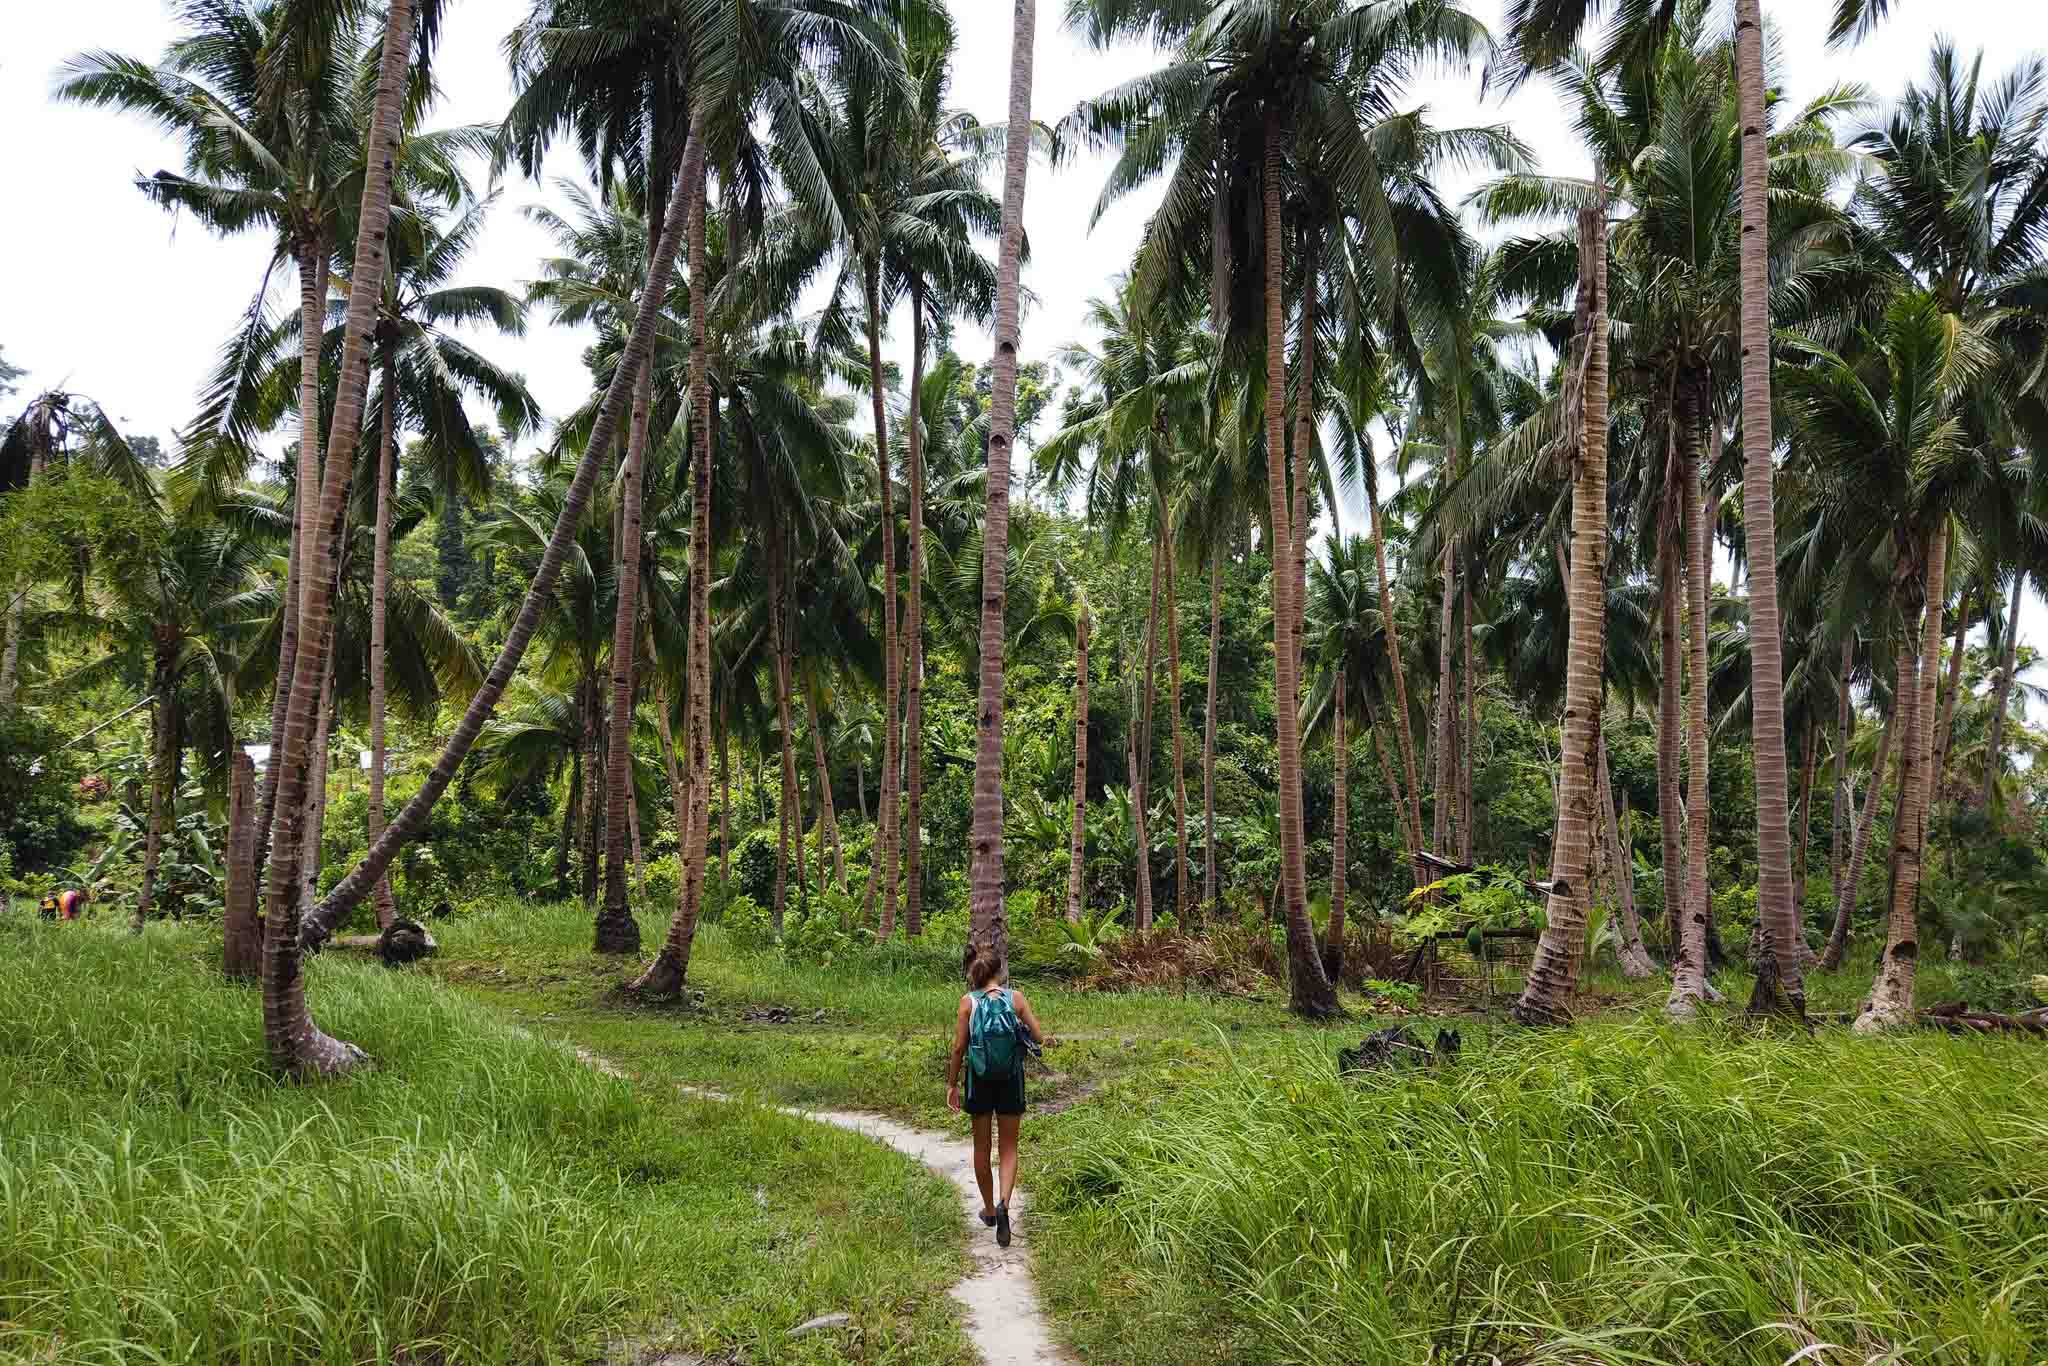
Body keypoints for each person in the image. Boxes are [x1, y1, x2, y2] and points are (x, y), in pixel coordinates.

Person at [946, 948, 1050, 1248]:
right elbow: (1039, 1037)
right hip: (1010, 1079)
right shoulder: (1015, 998)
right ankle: (1005, 1203)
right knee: (1008, 1147)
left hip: (978, 1079)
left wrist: (952, 1085)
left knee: (982, 1147)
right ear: (999, 971)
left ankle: (990, 1210)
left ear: (974, 975)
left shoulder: (968, 1002)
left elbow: (958, 1048)